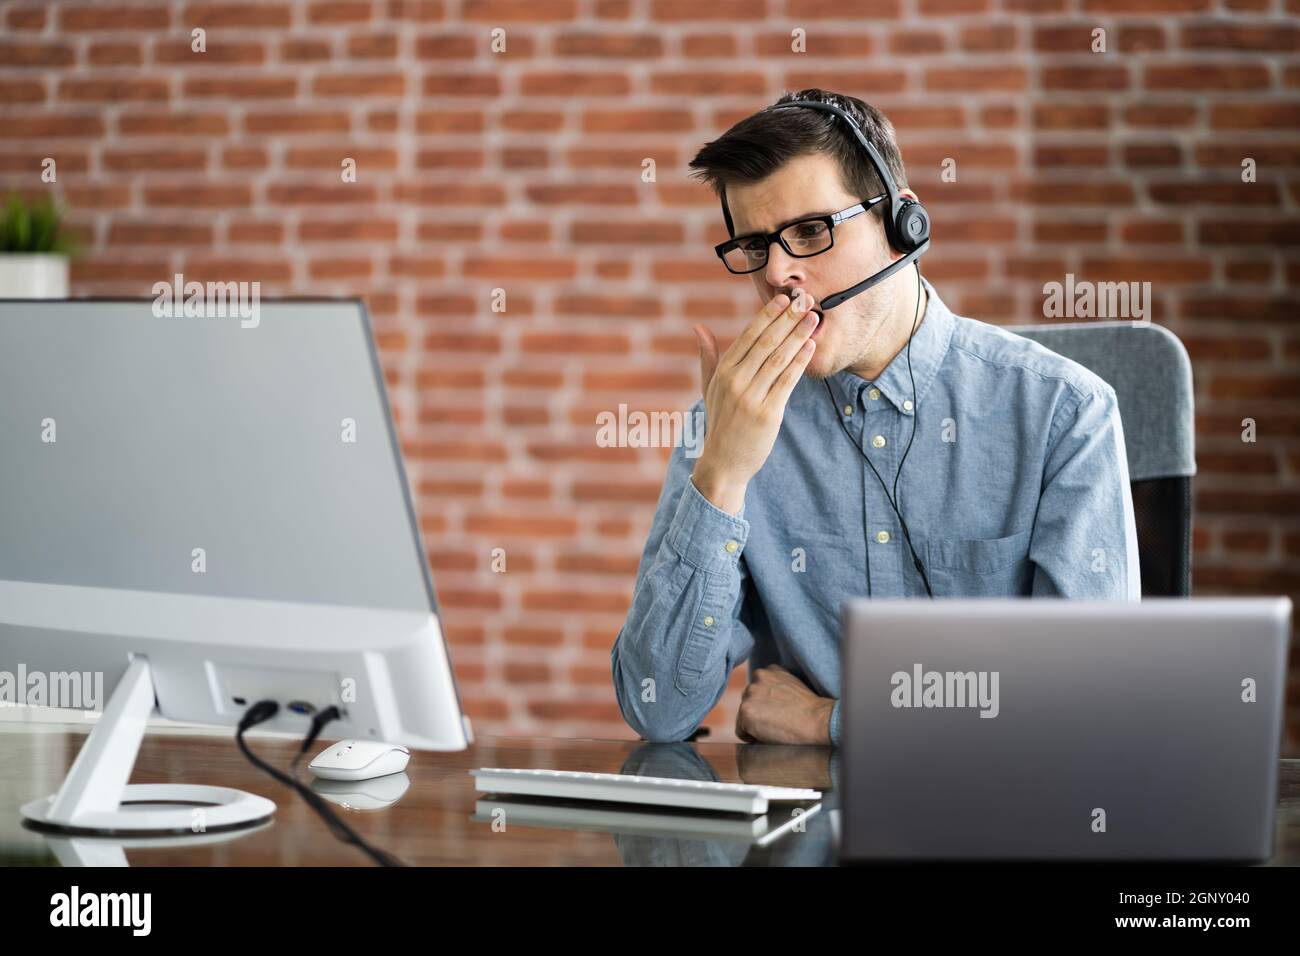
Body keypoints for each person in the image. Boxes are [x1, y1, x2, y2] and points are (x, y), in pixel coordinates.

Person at [611, 89, 1140, 746]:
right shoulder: (733, 421)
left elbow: (1089, 706)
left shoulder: (1064, 412)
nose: (778, 273)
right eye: (754, 245)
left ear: (901, 226)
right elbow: (658, 709)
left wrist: (831, 721)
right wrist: (720, 472)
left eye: (809, 232)